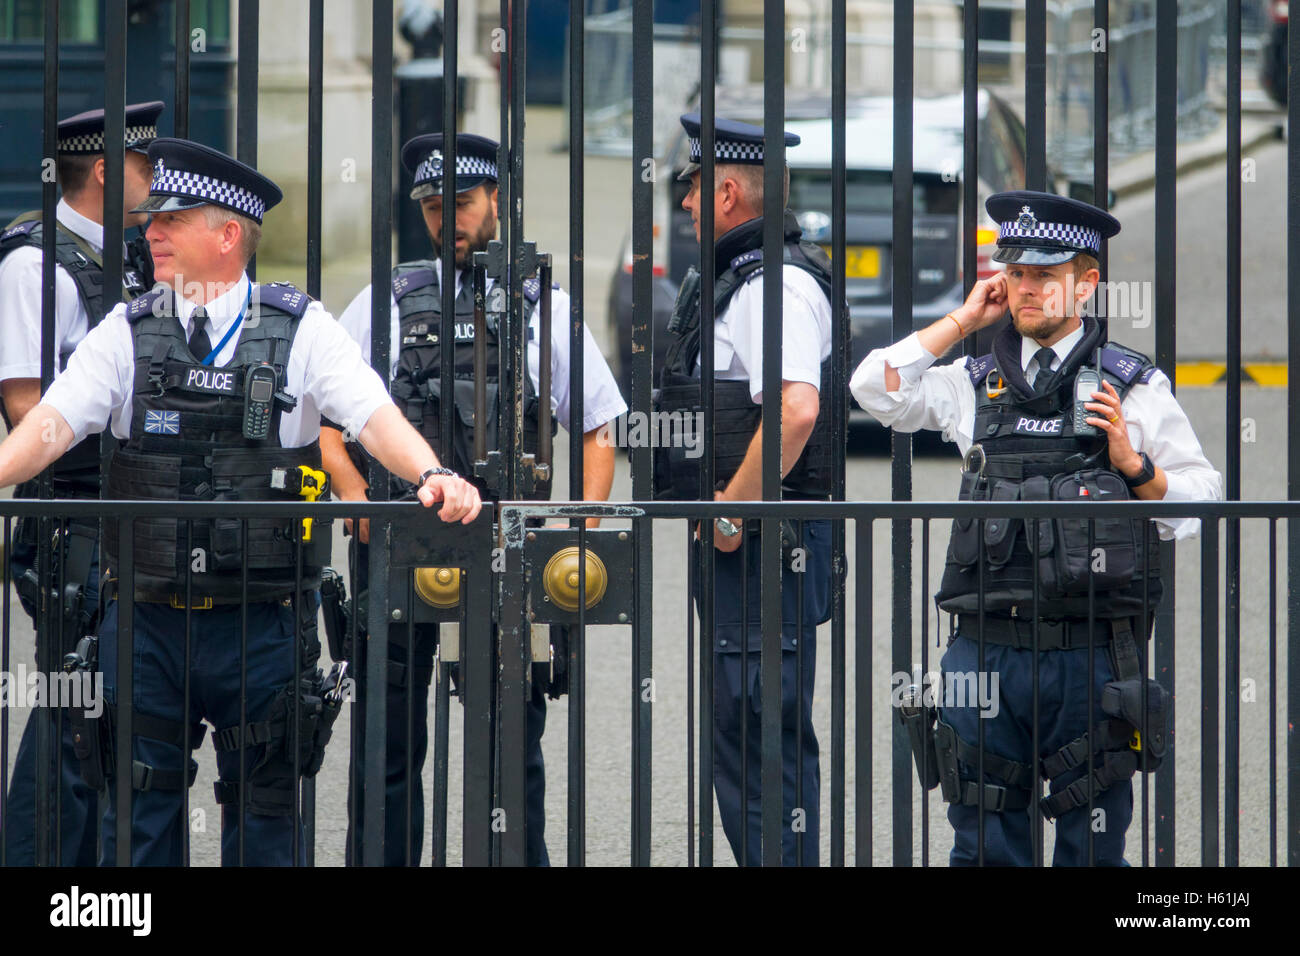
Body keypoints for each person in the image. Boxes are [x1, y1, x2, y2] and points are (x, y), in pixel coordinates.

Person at [0, 137, 482, 866]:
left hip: (263, 623)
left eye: (171, 219)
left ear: (227, 235)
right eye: (149, 218)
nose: (149, 230)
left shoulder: (301, 328)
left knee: (265, 821)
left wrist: (431, 473)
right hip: (148, 620)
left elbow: (373, 415)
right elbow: (50, 425)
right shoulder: (126, 333)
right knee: (137, 819)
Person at [851, 190, 1222, 866]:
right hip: (984, 652)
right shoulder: (972, 380)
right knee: (985, 841)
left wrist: (1137, 470)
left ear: (1086, 283)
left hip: (1092, 654)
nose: (1026, 289)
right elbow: (875, 390)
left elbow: (1199, 501)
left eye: (1044, 276)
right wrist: (963, 318)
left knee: (1091, 848)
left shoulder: (1131, 387)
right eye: (1016, 273)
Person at [324, 132, 626, 866]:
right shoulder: (385, 302)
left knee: (507, 746)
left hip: (504, 553)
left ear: (496, 201)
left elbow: (598, 428)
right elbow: (324, 428)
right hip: (398, 547)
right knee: (386, 745)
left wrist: (576, 533)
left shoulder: (538, 303)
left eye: (458, 203)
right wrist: (359, 505)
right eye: (431, 206)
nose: (444, 219)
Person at [654, 113, 836, 866]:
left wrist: (730, 510)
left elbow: (795, 408)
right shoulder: (745, 280)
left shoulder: (777, 287)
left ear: (727, 191)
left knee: (764, 744)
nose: (687, 205)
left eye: (692, 189)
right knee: (745, 738)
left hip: (768, 546)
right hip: (751, 546)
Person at [0, 101, 163, 867]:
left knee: (114, 713)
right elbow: (26, 404)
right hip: (71, 515)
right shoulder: (35, 264)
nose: (157, 180)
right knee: (73, 709)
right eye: (145, 166)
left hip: (131, 509)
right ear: (105, 170)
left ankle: (93, 881)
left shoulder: (134, 257)